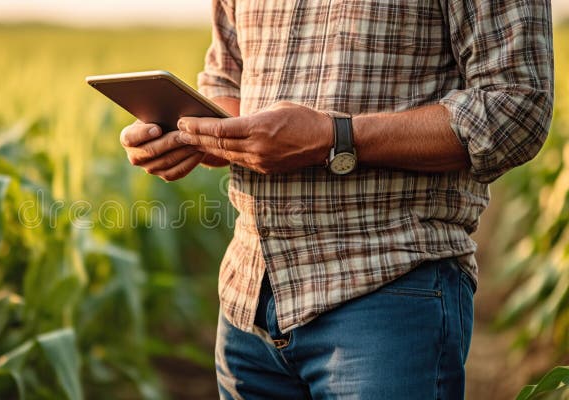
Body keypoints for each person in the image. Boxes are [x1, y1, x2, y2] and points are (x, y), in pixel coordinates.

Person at [119, 0, 554, 398]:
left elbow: (516, 107)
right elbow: (227, 80)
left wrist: (335, 137)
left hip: (388, 291)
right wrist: (188, 134)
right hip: (248, 301)